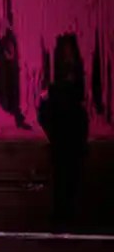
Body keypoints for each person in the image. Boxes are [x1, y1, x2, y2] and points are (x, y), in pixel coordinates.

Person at [38, 33, 89, 229]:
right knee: (65, 177)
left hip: (66, 136)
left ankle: (64, 215)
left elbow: (45, 112)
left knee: (67, 177)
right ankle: (65, 214)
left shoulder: (62, 91)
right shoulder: (63, 91)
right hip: (65, 136)